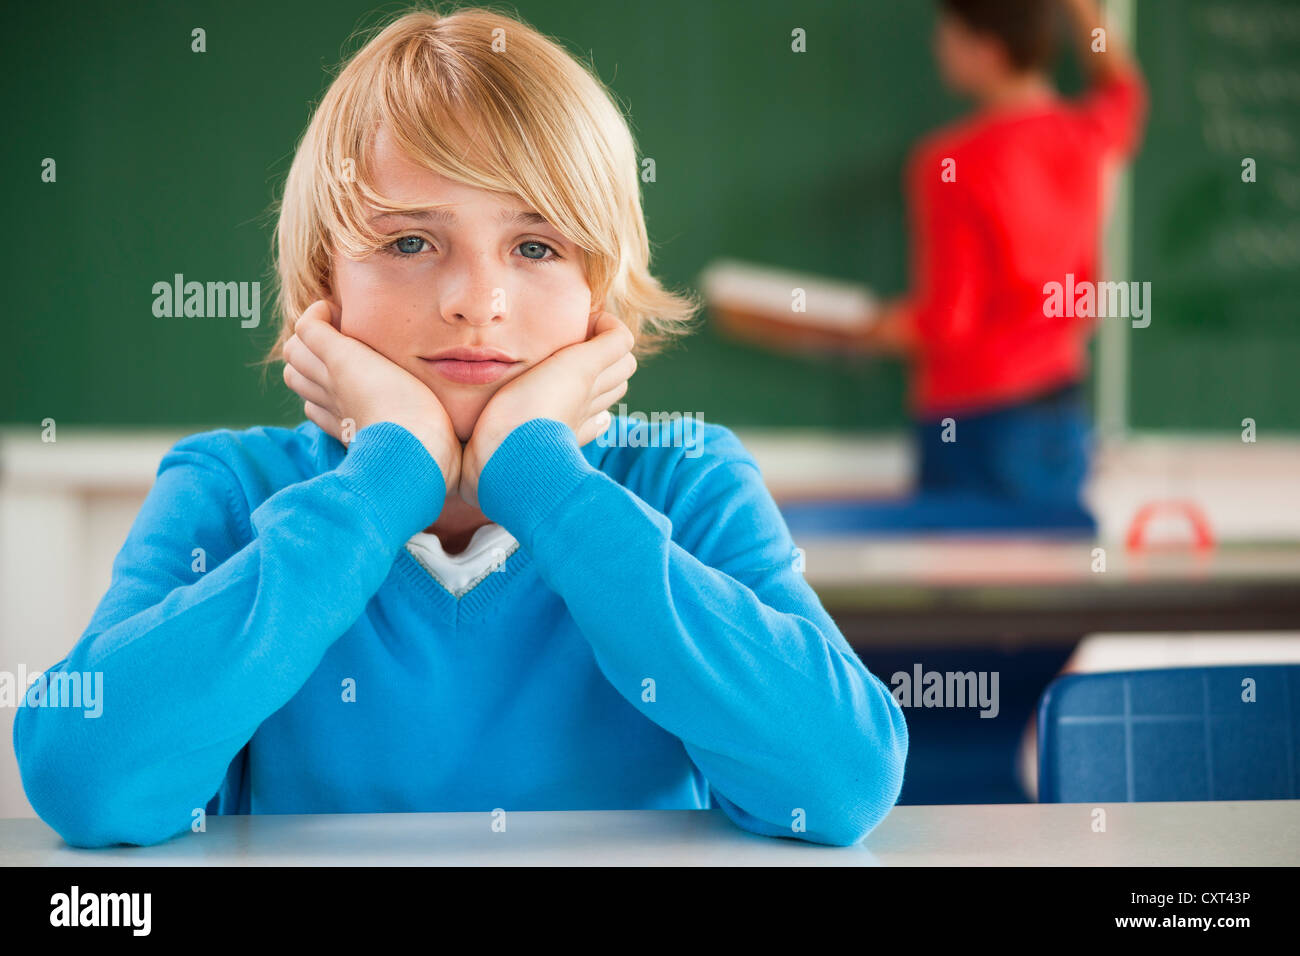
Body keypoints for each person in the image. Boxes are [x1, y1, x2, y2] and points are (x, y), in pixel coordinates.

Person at [13, 5, 907, 848]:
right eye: (409, 243)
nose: (476, 303)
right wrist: (385, 478)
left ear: (601, 289)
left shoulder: (686, 478)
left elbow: (841, 781)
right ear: (326, 278)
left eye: (537, 247)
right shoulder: (230, 488)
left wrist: (544, 480)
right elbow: (85, 780)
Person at [791, 0, 1148, 535]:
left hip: (974, 426)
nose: (939, 47)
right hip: (1059, 421)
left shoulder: (951, 164)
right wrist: (1082, 15)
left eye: (950, 35)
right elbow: (1124, 91)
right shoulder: (1087, 136)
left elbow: (946, 323)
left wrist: (843, 328)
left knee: (958, 610)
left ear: (987, 49)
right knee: (1049, 603)